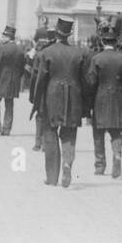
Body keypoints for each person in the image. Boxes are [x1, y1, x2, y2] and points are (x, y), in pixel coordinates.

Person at [32, 18, 87, 188]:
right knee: (69, 134)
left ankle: (52, 176)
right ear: (69, 34)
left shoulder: (47, 53)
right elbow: (85, 81)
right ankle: (67, 164)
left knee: (50, 133)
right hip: (74, 97)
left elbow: (40, 80)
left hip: (52, 96)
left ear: (56, 33)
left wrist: (37, 103)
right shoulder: (79, 53)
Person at [84, 16, 122, 178]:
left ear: (103, 42)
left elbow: (90, 84)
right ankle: (117, 156)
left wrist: (88, 107)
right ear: (116, 42)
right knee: (116, 132)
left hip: (100, 100)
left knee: (98, 133)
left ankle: (100, 165)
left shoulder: (97, 59)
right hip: (118, 99)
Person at [0, 24, 28, 136]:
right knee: (9, 104)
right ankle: (7, 129)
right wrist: (17, 77)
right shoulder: (20, 50)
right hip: (13, 81)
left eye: (4, 36)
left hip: (0, 80)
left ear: (8, 37)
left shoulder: (3, 48)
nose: (2, 38)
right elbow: (22, 66)